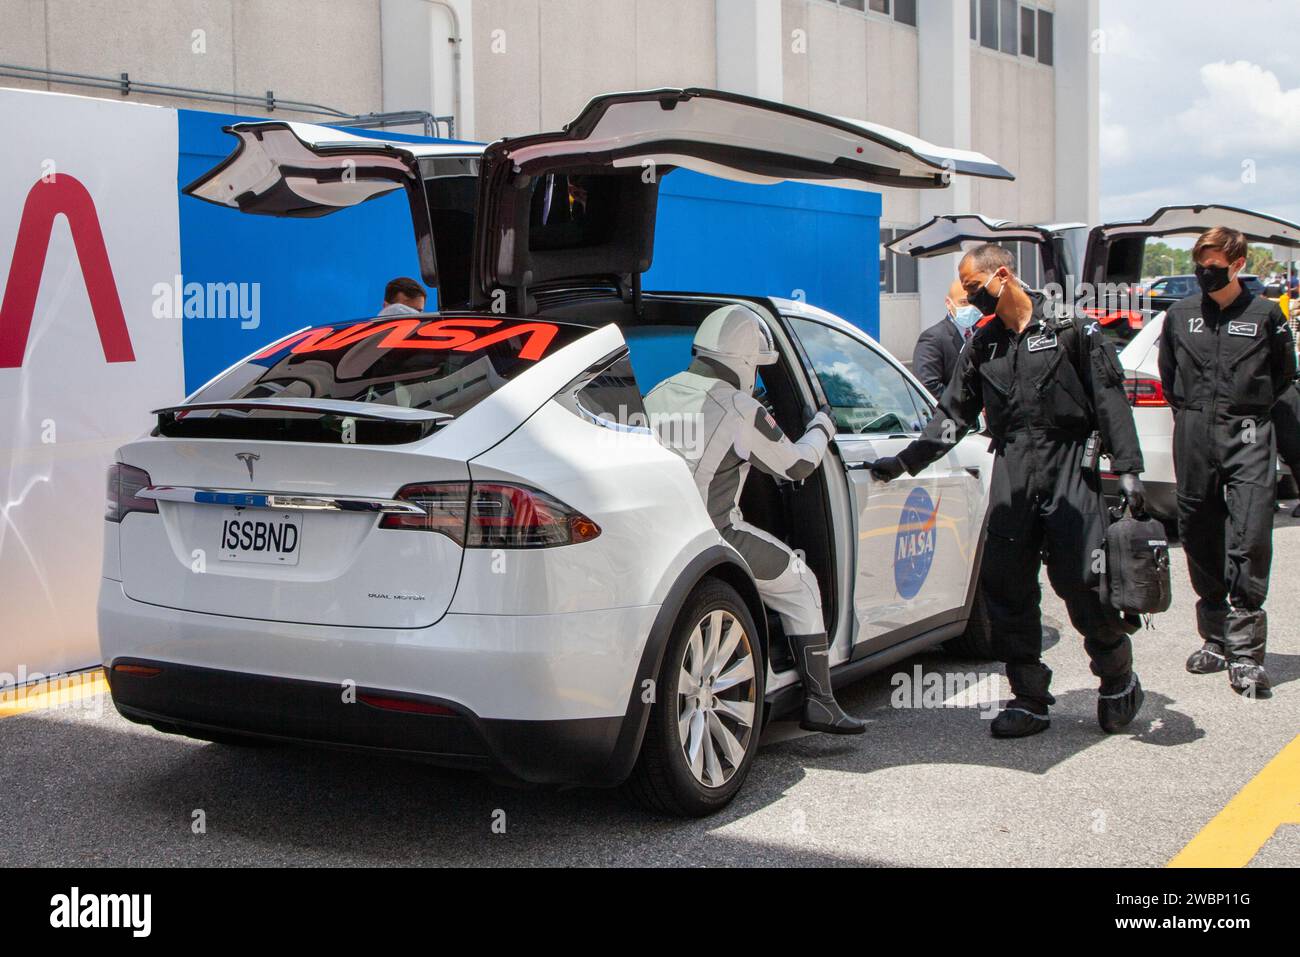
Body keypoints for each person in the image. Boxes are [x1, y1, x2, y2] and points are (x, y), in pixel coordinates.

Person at [868, 244, 1147, 738]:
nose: (973, 300)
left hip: (1069, 466)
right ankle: (1029, 695)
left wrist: (1128, 470)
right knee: (1005, 584)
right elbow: (954, 416)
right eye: (968, 294)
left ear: (1002, 275)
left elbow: (1109, 400)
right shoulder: (984, 345)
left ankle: (1116, 677)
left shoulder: (1071, 330)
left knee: (1082, 582)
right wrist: (905, 462)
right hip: (1013, 469)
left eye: (976, 289)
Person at [644, 304, 865, 734]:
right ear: (744, 362)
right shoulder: (740, 408)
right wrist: (821, 426)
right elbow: (797, 467)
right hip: (715, 534)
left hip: (658, 539)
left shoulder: (657, 393)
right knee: (800, 581)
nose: (758, 377)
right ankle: (821, 701)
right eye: (758, 369)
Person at [1159, 227, 1298, 697]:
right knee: (1198, 532)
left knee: (1250, 536)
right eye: (1200, 264)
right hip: (1195, 434)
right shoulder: (1179, 316)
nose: (1205, 273)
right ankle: (1215, 639)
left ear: (1238, 265)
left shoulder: (1266, 316)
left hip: (1249, 433)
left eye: (1214, 265)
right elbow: (1169, 375)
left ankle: (1246, 653)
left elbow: (1283, 377)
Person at [912, 278, 984, 397]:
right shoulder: (933, 338)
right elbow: (927, 385)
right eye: (964, 302)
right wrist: (963, 404)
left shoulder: (980, 333)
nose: (971, 308)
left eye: (973, 302)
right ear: (948, 303)